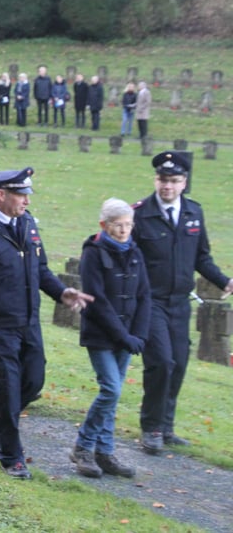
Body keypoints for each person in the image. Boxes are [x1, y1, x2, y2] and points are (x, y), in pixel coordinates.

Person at [0, 168, 92, 479]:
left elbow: (40, 269)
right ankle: (11, 455)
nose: (27, 200)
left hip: (28, 320)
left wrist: (62, 292)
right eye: (21, 194)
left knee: (33, 381)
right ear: (0, 195)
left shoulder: (27, 223)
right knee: (9, 387)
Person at [133, 151, 233, 454]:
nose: (167, 187)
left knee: (178, 364)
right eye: (163, 180)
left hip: (180, 303)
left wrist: (225, 281)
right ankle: (150, 428)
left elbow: (201, 256)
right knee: (161, 362)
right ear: (156, 180)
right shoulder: (139, 214)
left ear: (183, 183)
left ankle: (166, 426)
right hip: (151, 302)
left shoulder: (193, 212)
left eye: (174, 181)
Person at [70, 198, 151, 479]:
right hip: (101, 335)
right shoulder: (93, 252)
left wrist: (138, 334)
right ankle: (83, 446)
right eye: (118, 225)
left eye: (129, 225)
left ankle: (104, 452)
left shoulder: (135, 251)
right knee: (111, 390)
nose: (124, 230)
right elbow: (97, 300)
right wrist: (123, 335)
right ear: (104, 225)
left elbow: (143, 294)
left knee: (113, 396)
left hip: (127, 335)